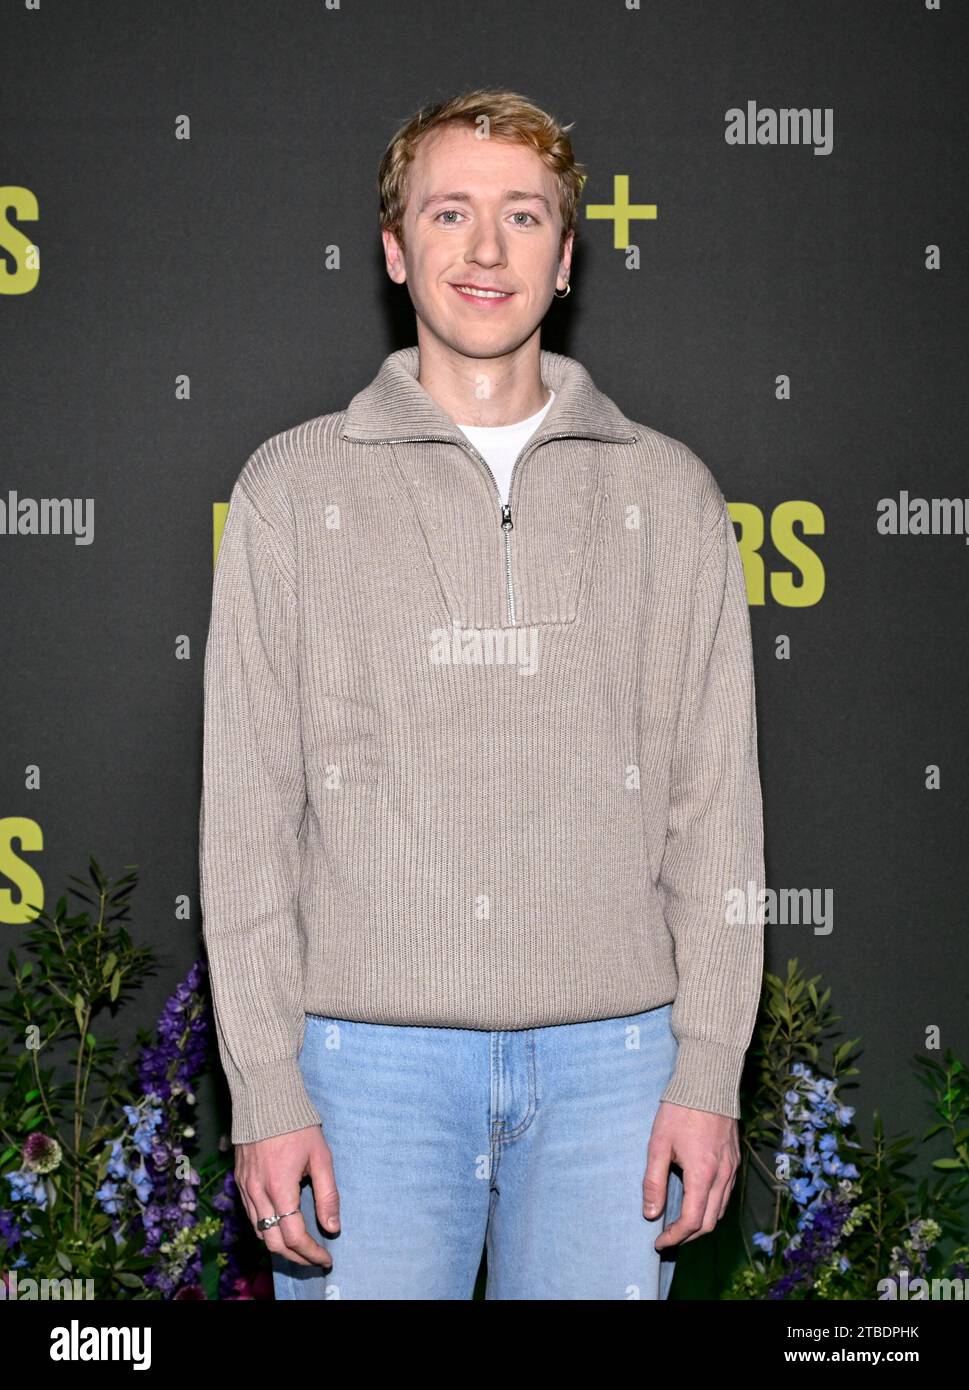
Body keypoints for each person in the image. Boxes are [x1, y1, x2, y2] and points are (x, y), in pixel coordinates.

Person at [199, 87, 766, 1301]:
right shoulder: (292, 490)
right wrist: (267, 1086)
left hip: (619, 1070)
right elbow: (248, 821)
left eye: (523, 215)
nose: (487, 248)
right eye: (450, 211)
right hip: (360, 1074)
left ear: (567, 257)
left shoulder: (669, 495)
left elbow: (714, 807)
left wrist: (707, 1069)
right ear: (398, 249)